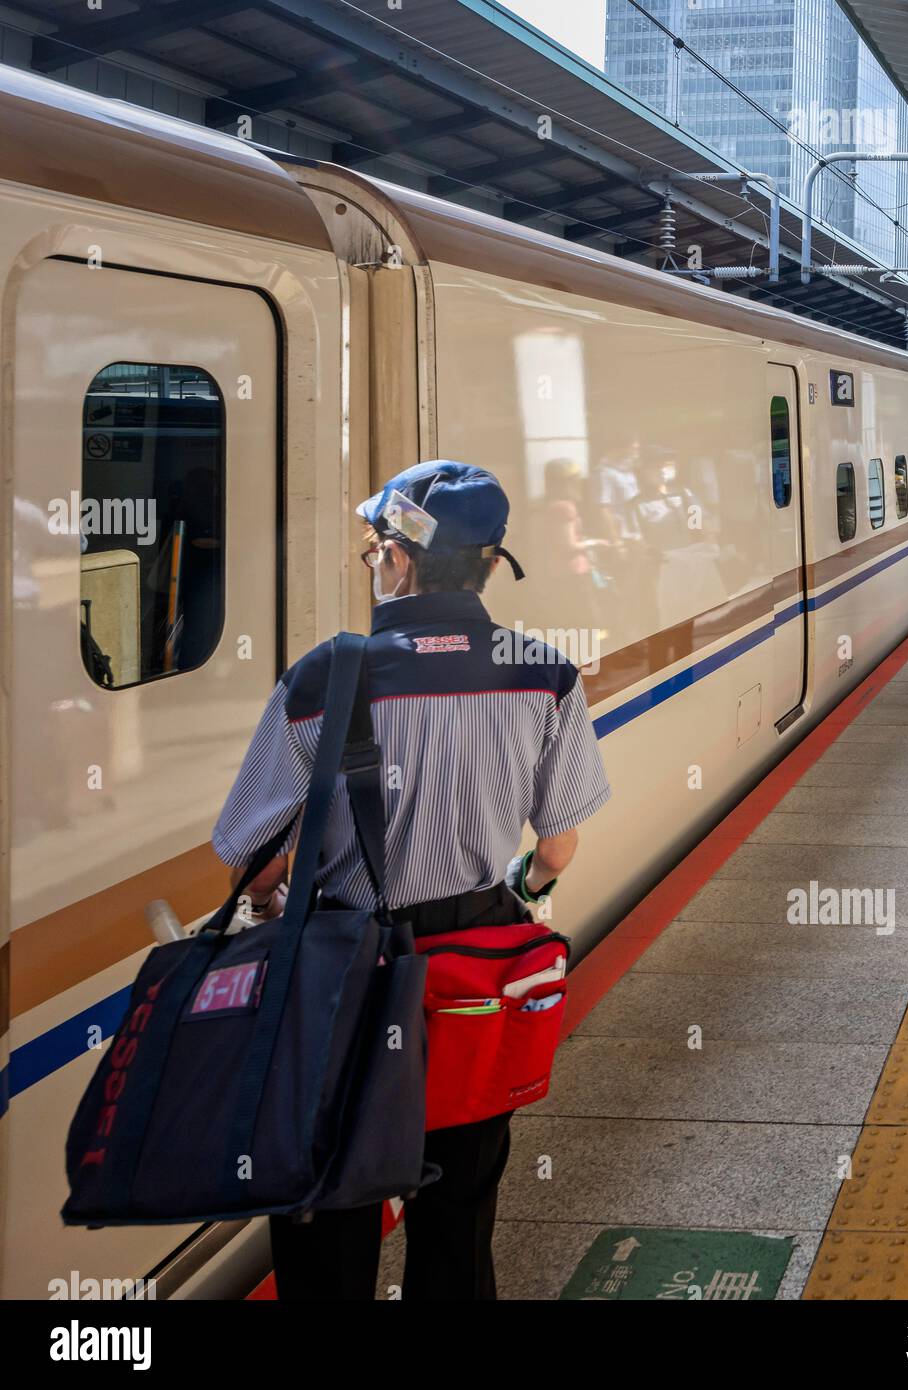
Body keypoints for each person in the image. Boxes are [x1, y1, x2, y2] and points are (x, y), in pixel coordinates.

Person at [211, 460, 611, 1300]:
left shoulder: (324, 676)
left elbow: (251, 854)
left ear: (398, 558)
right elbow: (557, 849)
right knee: (459, 1206)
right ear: (491, 565)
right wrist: (524, 888)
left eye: (374, 552)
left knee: (324, 1200)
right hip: (472, 980)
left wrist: (275, 900)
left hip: (341, 980)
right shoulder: (543, 672)